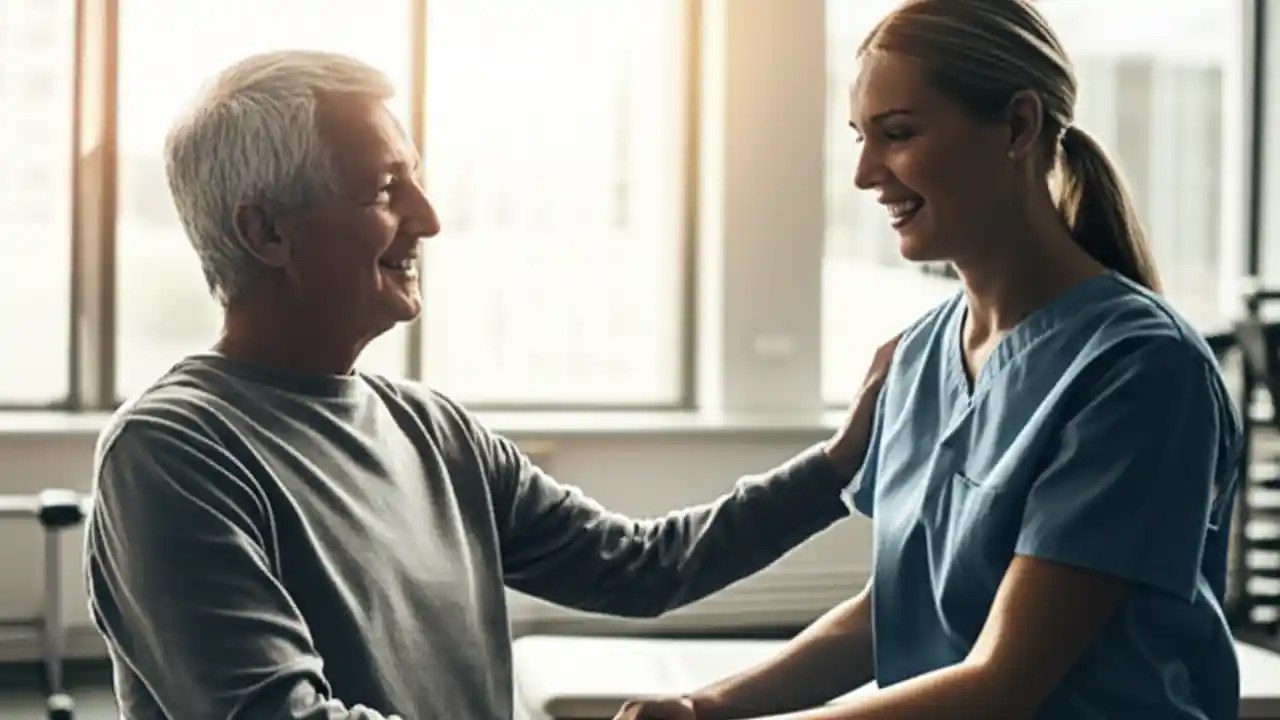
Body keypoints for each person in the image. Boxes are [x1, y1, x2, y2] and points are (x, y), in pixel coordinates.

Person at [82, 50, 896, 720]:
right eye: (382, 189)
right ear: (265, 231)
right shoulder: (172, 452)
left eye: (417, 179)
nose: (429, 218)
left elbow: (642, 566)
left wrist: (836, 466)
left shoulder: (431, 429)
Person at [615, 1, 1243, 719]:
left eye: (898, 134)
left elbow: (999, 681)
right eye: (859, 137)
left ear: (1018, 127)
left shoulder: (1140, 371)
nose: (862, 173)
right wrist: (705, 707)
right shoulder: (916, 357)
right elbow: (892, 611)